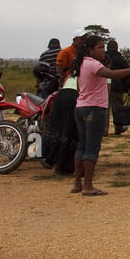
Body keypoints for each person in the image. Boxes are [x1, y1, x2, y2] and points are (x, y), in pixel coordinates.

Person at [71, 35, 130, 195]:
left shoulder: (82, 63)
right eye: (100, 47)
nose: (103, 51)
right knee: (92, 147)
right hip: (94, 109)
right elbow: (113, 74)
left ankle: (78, 184)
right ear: (90, 50)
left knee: (82, 146)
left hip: (81, 107)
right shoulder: (93, 64)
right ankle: (88, 186)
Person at [44, 35, 84, 175]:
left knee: (60, 130)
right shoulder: (87, 63)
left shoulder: (76, 66)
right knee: (72, 132)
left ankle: (56, 164)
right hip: (73, 97)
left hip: (63, 95)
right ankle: (68, 166)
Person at [105, 39, 130, 135]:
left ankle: (104, 130)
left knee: (104, 109)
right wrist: (129, 88)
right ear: (117, 48)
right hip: (116, 87)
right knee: (117, 109)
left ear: (107, 47)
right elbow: (127, 74)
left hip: (103, 87)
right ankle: (118, 128)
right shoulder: (120, 59)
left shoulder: (102, 58)